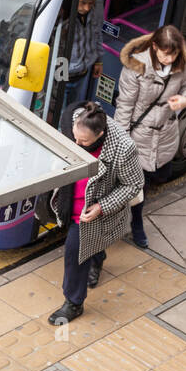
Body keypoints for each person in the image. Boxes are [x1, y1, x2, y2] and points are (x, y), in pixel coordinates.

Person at [46, 101, 145, 325]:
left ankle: (73, 303)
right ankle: (97, 258)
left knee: (74, 254)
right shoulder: (73, 118)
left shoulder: (123, 147)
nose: (78, 145)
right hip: (68, 200)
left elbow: (134, 184)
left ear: (100, 134)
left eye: (84, 142)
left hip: (93, 210)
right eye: (75, 138)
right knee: (89, 246)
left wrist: (102, 207)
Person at [113, 24, 186, 248]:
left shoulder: (182, 64)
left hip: (166, 134)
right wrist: (121, 143)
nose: (169, 59)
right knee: (138, 186)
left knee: (160, 175)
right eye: (165, 54)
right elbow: (124, 107)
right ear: (154, 47)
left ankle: (132, 213)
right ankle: (136, 223)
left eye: (174, 54)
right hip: (138, 137)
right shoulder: (136, 68)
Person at [65, 0, 105, 106]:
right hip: (61, 76)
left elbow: (97, 33)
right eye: (83, 2)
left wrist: (98, 60)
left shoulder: (97, 5)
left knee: (72, 109)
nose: (87, 8)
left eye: (91, 3)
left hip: (83, 73)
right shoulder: (63, 10)